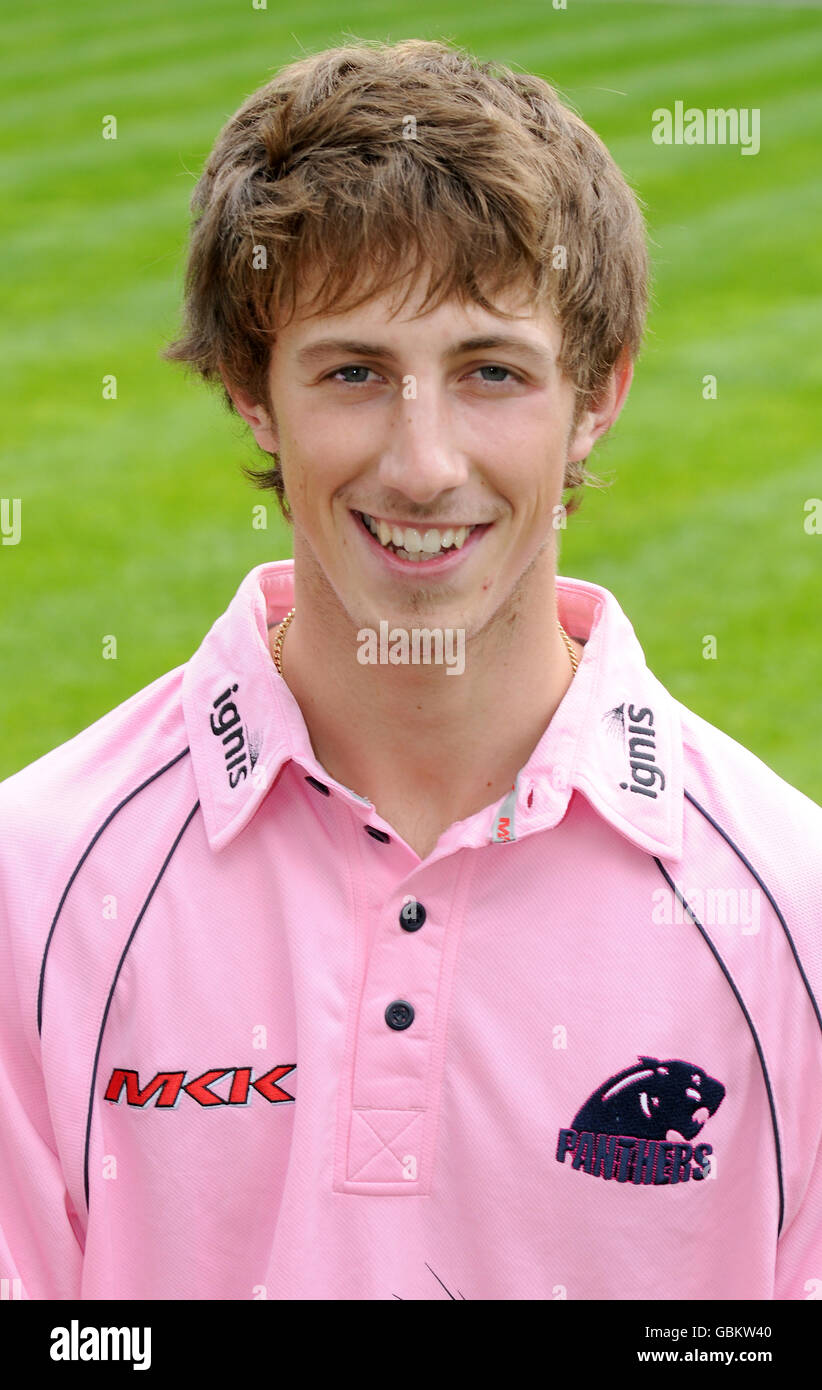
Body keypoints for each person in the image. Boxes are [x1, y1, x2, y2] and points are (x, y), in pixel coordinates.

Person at [1, 37, 820, 1303]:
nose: (424, 462)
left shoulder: (794, 917)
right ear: (252, 393)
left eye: (492, 371)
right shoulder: (33, 886)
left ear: (598, 394)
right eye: (354, 373)